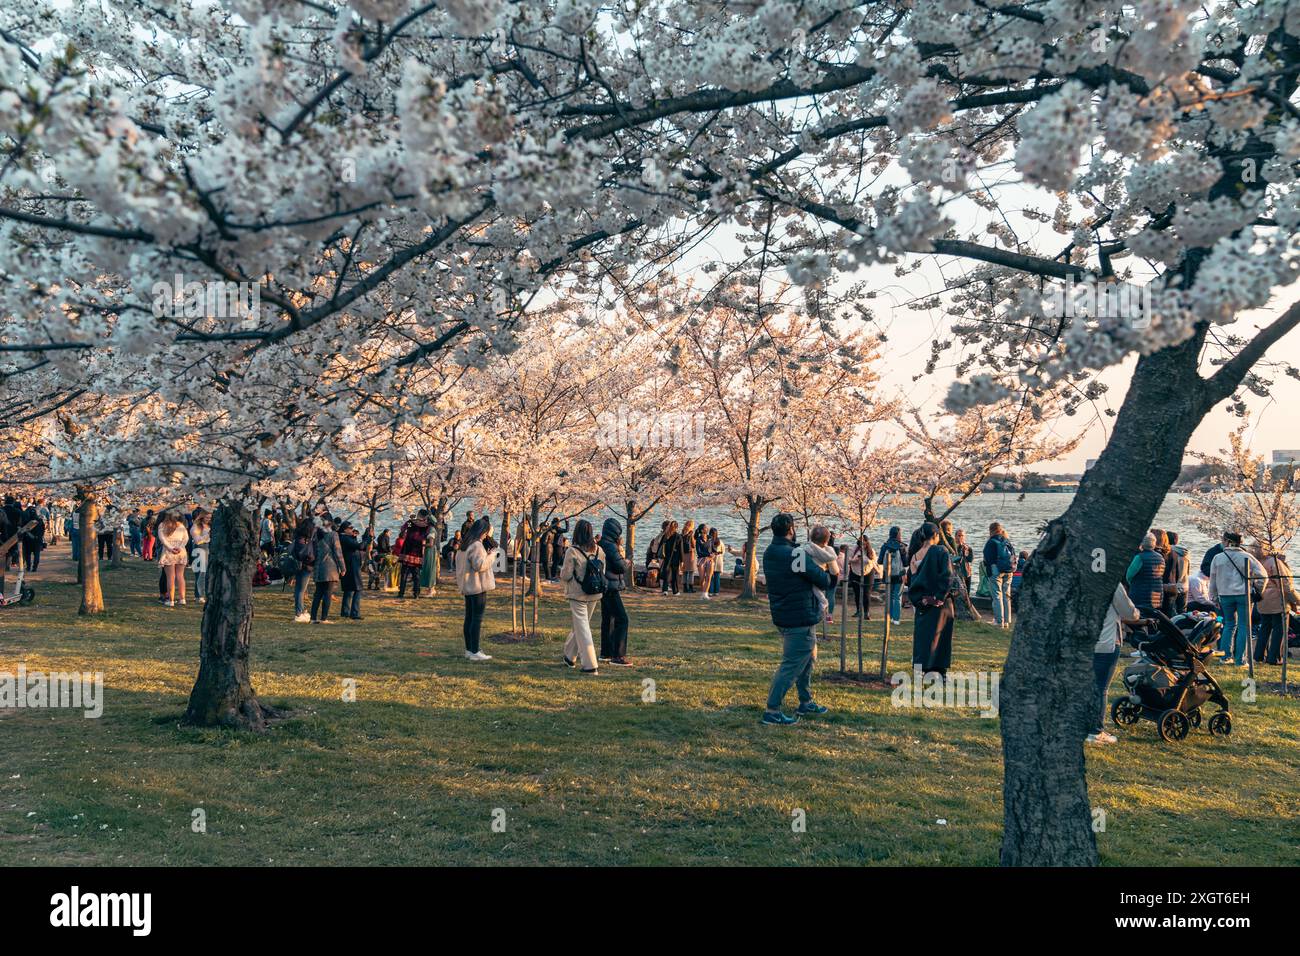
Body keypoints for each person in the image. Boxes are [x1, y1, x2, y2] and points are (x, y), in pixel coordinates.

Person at [760, 513, 831, 726]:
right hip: (799, 616)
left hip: (785, 613)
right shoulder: (794, 555)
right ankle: (772, 710)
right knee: (791, 665)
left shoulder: (771, 551)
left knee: (807, 661)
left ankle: (806, 701)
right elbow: (822, 579)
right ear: (791, 530)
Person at [1088, 583, 1141, 745]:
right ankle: (1095, 731)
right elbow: (1129, 612)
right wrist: (1137, 614)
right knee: (1100, 687)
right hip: (1105, 641)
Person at [1208, 531, 1267, 666]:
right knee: (1244, 626)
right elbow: (1263, 576)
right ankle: (1240, 660)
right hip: (1243, 594)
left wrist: (1214, 597)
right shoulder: (1247, 556)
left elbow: (1213, 580)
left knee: (1229, 625)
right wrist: (1257, 589)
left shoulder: (1218, 558)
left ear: (1227, 541)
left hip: (1225, 595)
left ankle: (1225, 656)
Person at [908, 522, 955, 677]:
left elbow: (912, 580)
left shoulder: (915, 555)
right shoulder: (940, 551)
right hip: (939, 602)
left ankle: (922, 668)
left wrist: (922, 599)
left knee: (924, 636)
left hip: (923, 601)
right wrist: (939, 597)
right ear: (936, 535)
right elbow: (947, 576)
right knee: (940, 637)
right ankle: (939, 670)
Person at [561, 519, 603, 674]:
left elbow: (566, 575)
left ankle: (590, 665)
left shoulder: (572, 551)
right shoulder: (598, 550)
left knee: (582, 627)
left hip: (577, 594)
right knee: (580, 625)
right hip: (594, 592)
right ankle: (569, 656)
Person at [455, 516, 498, 661]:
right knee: (476, 619)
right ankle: (474, 650)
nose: (487, 536)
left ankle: (469, 649)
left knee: (469, 618)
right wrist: (492, 555)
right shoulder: (477, 546)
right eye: (486, 533)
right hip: (477, 586)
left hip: (468, 586)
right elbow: (480, 565)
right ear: (482, 532)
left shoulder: (464, 545)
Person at [1252, 542, 1297, 666]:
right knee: (1280, 630)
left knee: (1264, 629)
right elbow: (1286, 585)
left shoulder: (1256, 562)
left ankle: (1259, 655)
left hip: (1262, 600)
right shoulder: (1274, 562)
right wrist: (1297, 601)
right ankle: (1275, 658)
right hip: (1277, 600)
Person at [598, 517, 631, 664]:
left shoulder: (601, 544)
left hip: (604, 585)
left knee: (608, 619)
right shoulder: (610, 546)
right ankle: (618, 655)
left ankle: (606, 652)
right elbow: (620, 566)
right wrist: (626, 563)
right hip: (610, 586)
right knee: (622, 619)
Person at [803, 525, 841, 624]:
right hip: (821, 579)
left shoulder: (805, 549)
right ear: (827, 540)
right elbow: (835, 571)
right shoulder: (828, 553)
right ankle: (828, 615)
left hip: (806, 580)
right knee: (830, 595)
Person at [311, 516, 344, 623]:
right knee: (327, 594)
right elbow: (338, 552)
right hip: (330, 568)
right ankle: (323, 618)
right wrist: (343, 567)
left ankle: (313, 618)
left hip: (318, 567)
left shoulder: (317, 534)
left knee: (318, 594)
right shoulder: (333, 534)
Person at [982, 522, 1015, 629]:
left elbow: (987, 558)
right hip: (1009, 570)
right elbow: (1013, 556)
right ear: (1000, 530)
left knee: (997, 596)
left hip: (996, 570)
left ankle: (999, 621)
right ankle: (1006, 621)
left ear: (991, 530)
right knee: (1006, 596)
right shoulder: (1007, 541)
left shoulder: (991, 542)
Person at [1124, 533, 1166, 615]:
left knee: (1140, 616)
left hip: (1140, 594)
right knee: (1153, 617)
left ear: (1142, 543)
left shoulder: (1139, 557)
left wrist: (1133, 584)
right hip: (1157, 594)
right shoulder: (1160, 557)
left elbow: (1129, 576)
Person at [396, 509, 433, 598]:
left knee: (404, 573)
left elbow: (402, 529)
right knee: (416, 574)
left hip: (407, 550)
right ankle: (416, 594)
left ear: (418, 514)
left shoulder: (410, 522)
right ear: (425, 517)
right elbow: (426, 535)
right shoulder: (427, 526)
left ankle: (401, 593)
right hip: (417, 551)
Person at [157, 512, 191, 607]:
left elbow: (162, 539)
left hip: (169, 552)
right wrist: (180, 547)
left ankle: (171, 600)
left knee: (170, 577)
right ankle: (182, 599)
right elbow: (186, 538)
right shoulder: (181, 525)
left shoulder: (162, 525)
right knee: (180, 576)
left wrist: (170, 548)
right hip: (181, 551)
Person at [291, 516, 317, 622]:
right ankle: (299, 612)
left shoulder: (299, 537)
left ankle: (300, 611)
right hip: (305, 566)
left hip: (301, 566)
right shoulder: (304, 540)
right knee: (300, 590)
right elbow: (307, 554)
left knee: (300, 589)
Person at [880, 526, 907, 625]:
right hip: (899, 575)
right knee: (897, 597)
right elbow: (906, 563)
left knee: (889, 596)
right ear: (898, 535)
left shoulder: (885, 546)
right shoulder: (902, 546)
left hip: (887, 575)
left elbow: (879, 561)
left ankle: (889, 617)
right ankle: (896, 619)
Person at [847, 532, 878, 618]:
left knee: (866, 593)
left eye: (864, 543)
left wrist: (864, 558)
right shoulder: (854, 549)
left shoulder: (871, 551)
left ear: (867, 543)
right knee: (857, 593)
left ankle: (866, 612)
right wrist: (854, 560)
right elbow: (848, 559)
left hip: (868, 573)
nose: (862, 545)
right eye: (860, 543)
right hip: (855, 572)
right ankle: (858, 611)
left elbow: (873, 561)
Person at [338, 521, 364, 620]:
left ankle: (345, 612)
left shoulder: (345, 538)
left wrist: (354, 537)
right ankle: (355, 613)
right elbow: (360, 546)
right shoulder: (345, 538)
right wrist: (367, 538)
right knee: (358, 589)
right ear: (345, 529)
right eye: (350, 528)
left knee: (348, 590)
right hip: (352, 567)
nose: (352, 529)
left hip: (350, 566)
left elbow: (354, 546)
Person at [1166, 531, 1189, 615]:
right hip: (1184, 585)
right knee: (1183, 612)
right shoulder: (1185, 553)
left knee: (1171, 612)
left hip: (1173, 586)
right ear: (1176, 540)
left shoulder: (1168, 552)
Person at [190, 509, 211, 604]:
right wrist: (208, 536)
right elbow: (197, 540)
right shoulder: (196, 527)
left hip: (209, 548)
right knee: (201, 572)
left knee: (207, 573)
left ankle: (204, 593)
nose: (208, 519)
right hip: (200, 549)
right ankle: (199, 595)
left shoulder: (210, 525)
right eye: (207, 517)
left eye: (210, 517)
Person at [659, 520, 681, 594]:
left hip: (667, 557)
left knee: (666, 573)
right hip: (675, 558)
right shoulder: (678, 536)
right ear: (677, 527)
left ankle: (665, 590)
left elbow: (660, 546)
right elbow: (681, 549)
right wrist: (682, 560)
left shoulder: (666, 535)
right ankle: (675, 591)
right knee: (674, 575)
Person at [695, 524, 715, 602]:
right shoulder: (698, 540)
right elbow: (699, 552)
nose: (707, 529)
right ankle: (703, 593)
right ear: (702, 530)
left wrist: (714, 553)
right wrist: (708, 554)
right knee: (702, 578)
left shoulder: (710, 538)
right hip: (701, 559)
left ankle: (705, 593)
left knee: (709, 577)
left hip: (710, 559)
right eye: (706, 528)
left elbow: (713, 548)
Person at [953, 528, 974, 596]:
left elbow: (970, 559)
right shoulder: (952, 547)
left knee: (967, 594)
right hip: (957, 574)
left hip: (967, 573)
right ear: (955, 536)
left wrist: (970, 551)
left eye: (962, 536)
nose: (960, 537)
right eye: (959, 535)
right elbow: (955, 559)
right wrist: (959, 548)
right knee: (958, 594)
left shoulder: (967, 547)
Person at [680, 519, 697, 592]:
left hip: (683, 554)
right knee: (691, 572)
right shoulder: (691, 534)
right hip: (690, 555)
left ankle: (684, 588)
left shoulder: (682, 533)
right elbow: (693, 545)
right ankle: (690, 587)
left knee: (684, 572)